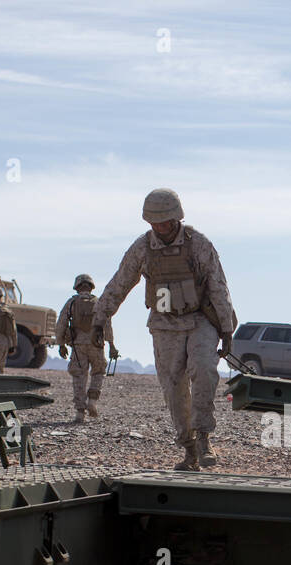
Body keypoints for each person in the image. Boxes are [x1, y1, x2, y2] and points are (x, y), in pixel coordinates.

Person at [90, 188, 238, 470]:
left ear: (176, 218)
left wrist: (227, 330)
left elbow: (218, 286)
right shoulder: (142, 248)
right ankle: (189, 448)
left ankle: (205, 437)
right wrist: (100, 318)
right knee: (173, 388)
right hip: (165, 324)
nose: (160, 227)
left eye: (165, 222)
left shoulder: (199, 244)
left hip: (200, 320)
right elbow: (119, 283)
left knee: (205, 371)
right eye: (154, 223)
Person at [57, 273, 119, 423]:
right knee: (98, 372)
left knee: (79, 376)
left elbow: (61, 323)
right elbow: (107, 325)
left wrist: (61, 344)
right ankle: (92, 400)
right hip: (96, 344)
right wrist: (111, 345)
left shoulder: (71, 303)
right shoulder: (99, 303)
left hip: (78, 345)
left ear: (77, 287)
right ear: (91, 287)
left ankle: (80, 412)